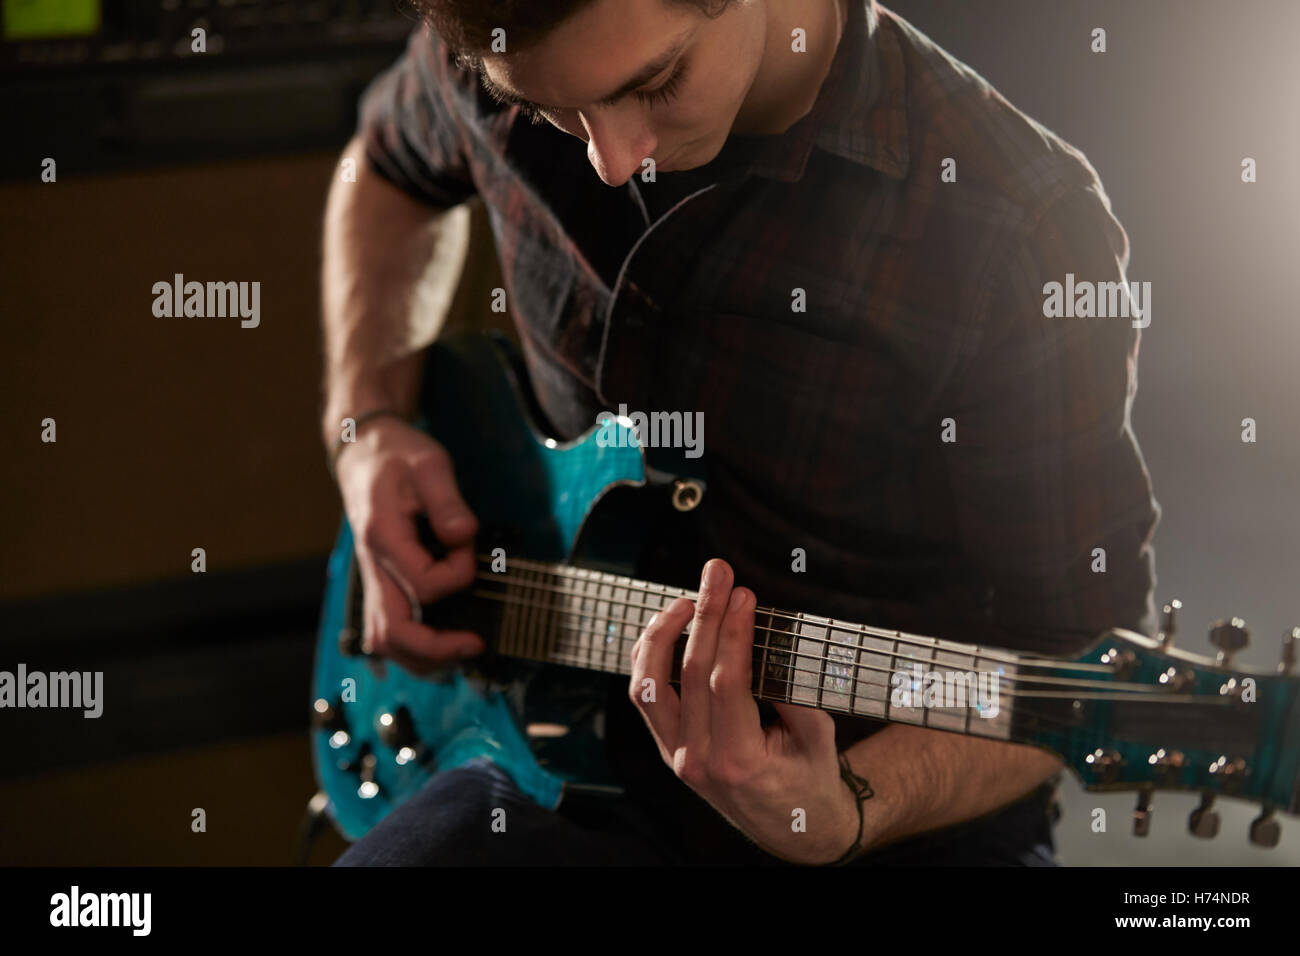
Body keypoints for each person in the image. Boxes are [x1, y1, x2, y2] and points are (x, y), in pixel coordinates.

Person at [322, 0, 1160, 865]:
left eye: (655, 83)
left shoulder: (1021, 225)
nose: (611, 160)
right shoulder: (502, 35)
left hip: (890, 793)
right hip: (549, 744)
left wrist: (852, 808)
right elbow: (385, 167)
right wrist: (368, 423)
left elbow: (1078, 660)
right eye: (550, 114)